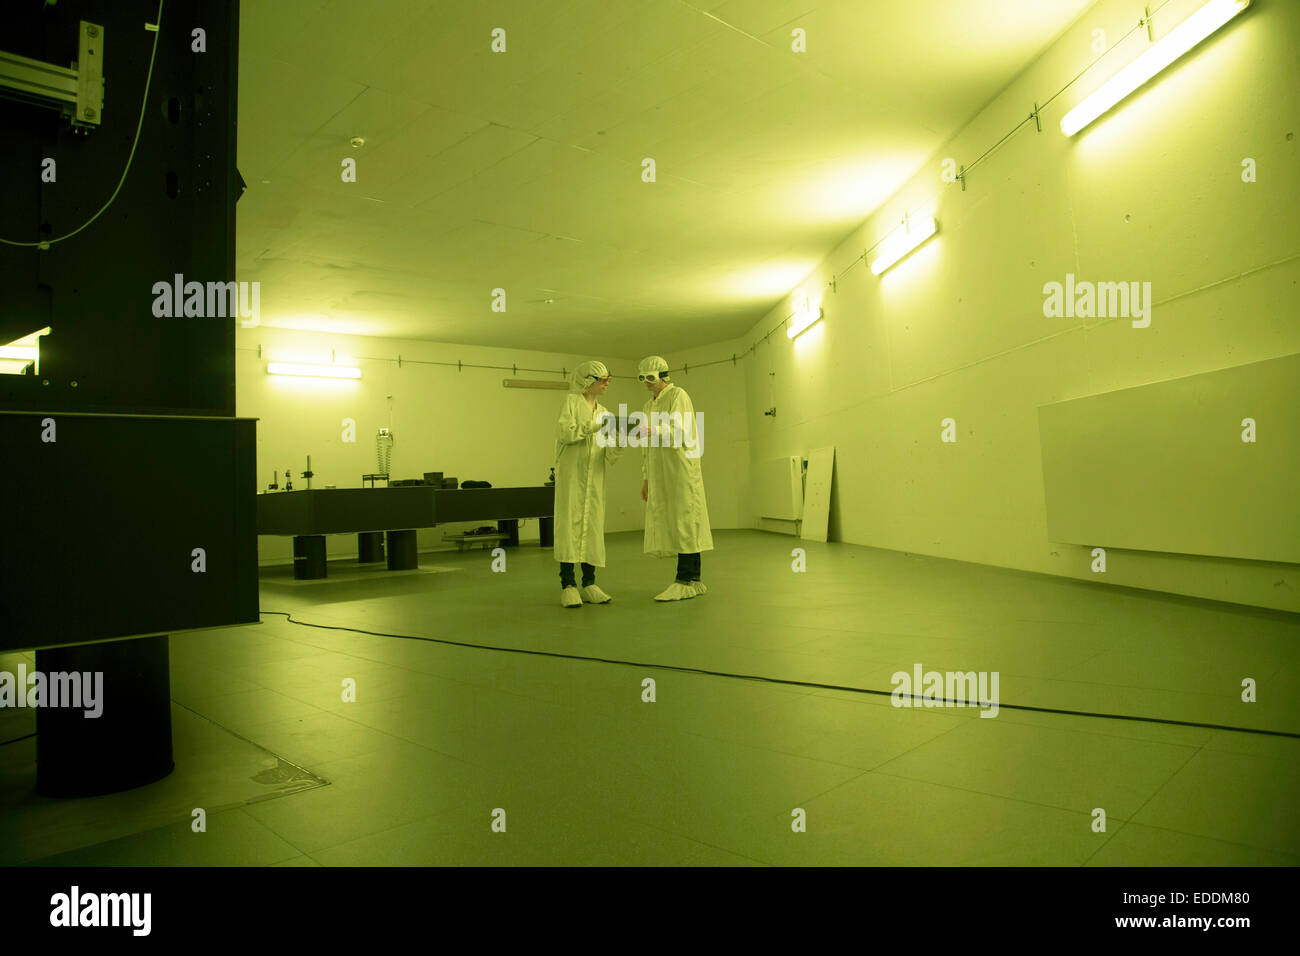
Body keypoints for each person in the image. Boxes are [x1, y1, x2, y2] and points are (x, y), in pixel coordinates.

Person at [635, 355, 713, 601]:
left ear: (663, 376)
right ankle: (695, 580)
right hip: (661, 474)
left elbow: (681, 431)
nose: (646, 383)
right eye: (642, 377)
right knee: (680, 521)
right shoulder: (649, 406)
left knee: (685, 521)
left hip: (680, 469)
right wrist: (647, 478)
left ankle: (684, 579)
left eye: (651, 377)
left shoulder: (678, 395)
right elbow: (648, 447)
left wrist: (653, 430)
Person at [554, 360, 621, 608]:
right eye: (602, 380)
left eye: (608, 380)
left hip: (594, 479)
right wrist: (595, 426)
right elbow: (567, 433)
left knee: (592, 527)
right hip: (572, 478)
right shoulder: (571, 402)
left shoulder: (605, 412)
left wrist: (619, 439)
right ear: (588, 380)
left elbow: (611, 456)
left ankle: (590, 583)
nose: (606, 384)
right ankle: (568, 585)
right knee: (569, 528)